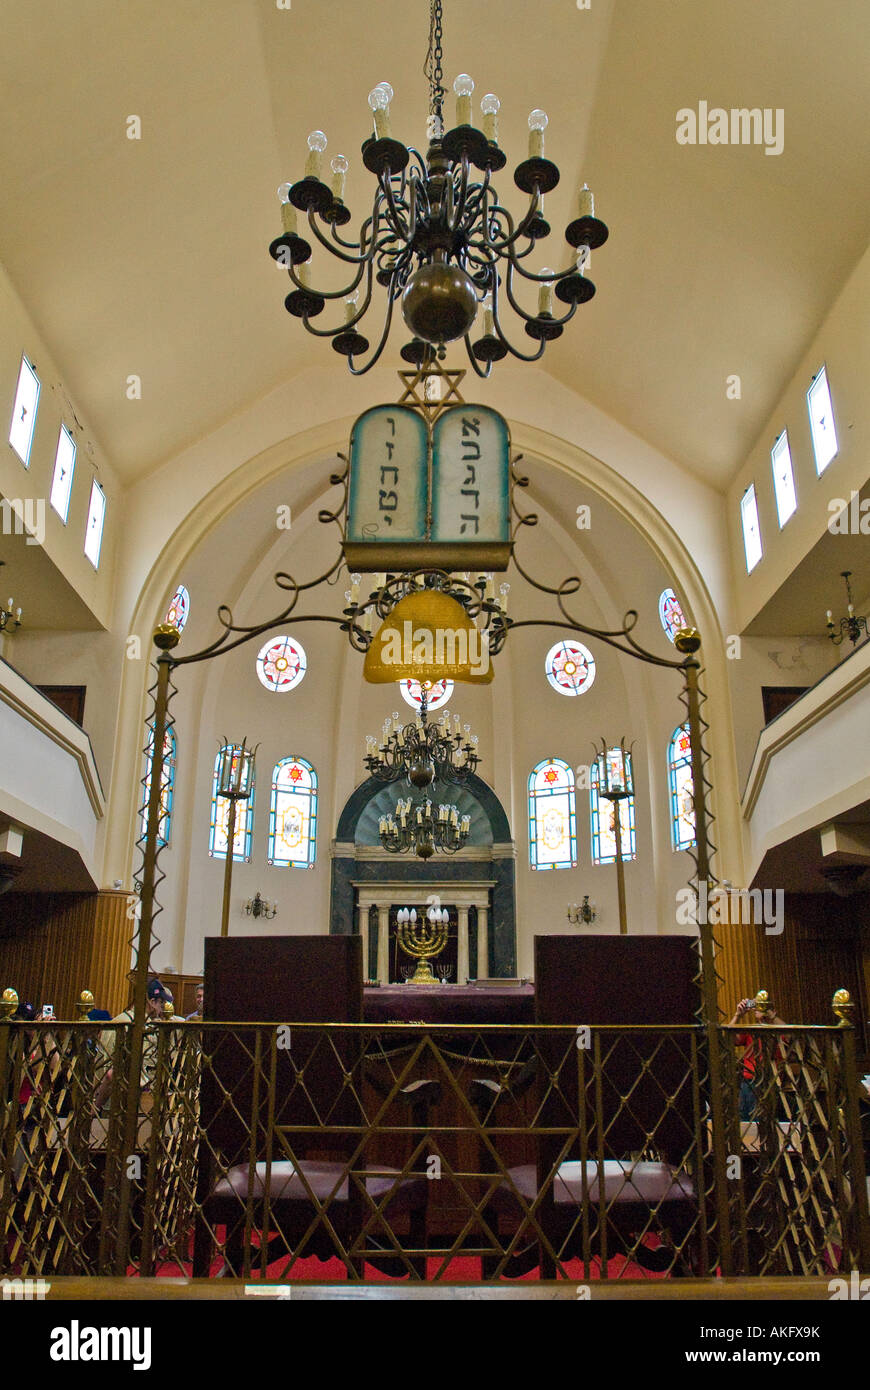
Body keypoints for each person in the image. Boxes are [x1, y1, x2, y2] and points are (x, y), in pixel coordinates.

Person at [729, 994, 786, 1121]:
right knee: (746, 1120)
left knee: (766, 1120)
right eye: (757, 1006)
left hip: (770, 1080)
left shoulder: (777, 1029)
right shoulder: (751, 1029)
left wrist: (771, 1015)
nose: (757, 1009)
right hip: (749, 1081)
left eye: (761, 1005)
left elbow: (789, 1036)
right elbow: (730, 1037)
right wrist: (738, 1015)